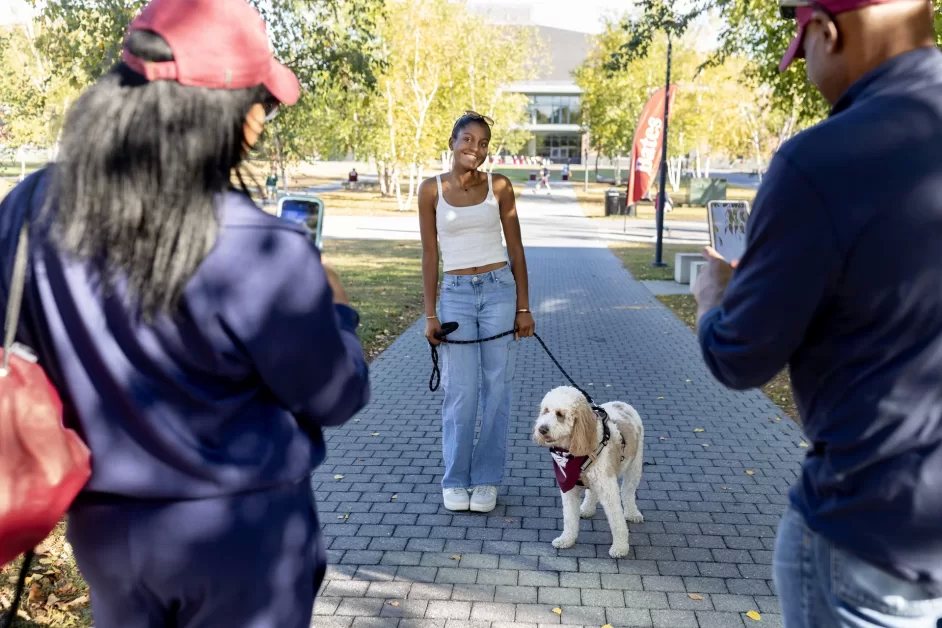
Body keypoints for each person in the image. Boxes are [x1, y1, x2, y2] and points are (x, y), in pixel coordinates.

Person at [0, 0, 370, 626]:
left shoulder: (34, 205)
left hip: (107, 533)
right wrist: (336, 310)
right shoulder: (263, 249)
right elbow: (335, 396)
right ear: (224, 115)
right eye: (262, 102)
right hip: (245, 537)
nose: (260, 122)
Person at [693, 0, 942, 625]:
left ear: (827, 33)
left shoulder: (821, 161)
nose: (802, 66)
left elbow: (740, 354)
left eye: (801, 48)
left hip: (871, 537)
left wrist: (713, 297)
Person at [418, 111, 535, 513]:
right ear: (452, 142)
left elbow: (516, 249)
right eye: (468, 140)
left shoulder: (499, 186)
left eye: (483, 143)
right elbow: (430, 253)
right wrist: (430, 314)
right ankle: (455, 479)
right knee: (461, 391)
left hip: (499, 291)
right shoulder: (429, 190)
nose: (476, 149)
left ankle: (486, 480)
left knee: (497, 390)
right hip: (455, 295)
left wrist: (523, 307)